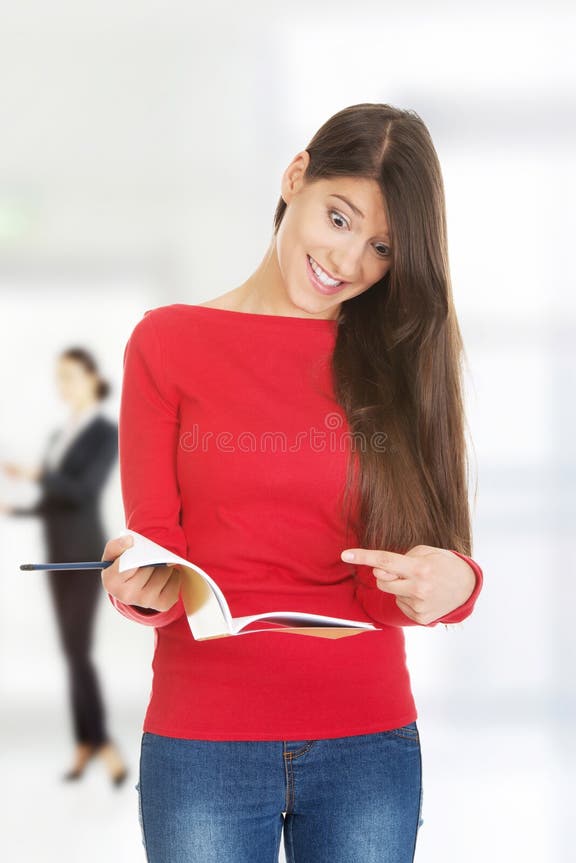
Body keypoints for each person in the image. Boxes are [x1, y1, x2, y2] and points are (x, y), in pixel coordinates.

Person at [101, 102, 484, 862]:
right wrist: (137, 582)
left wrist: (456, 583)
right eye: (338, 219)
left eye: (380, 247)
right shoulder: (167, 342)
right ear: (296, 176)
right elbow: (158, 549)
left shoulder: (399, 359)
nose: (348, 263)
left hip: (367, 745)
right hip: (203, 741)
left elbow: (423, 566)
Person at [0, 347, 128, 787]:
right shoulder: (59, 434)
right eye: (59, 378)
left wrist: (35, 473)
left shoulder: (106, 432)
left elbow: (83, 492)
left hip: (83, 553)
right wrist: (14, 511)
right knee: (71, 653)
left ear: (93, 379)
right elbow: (54, 503)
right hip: (53, 554)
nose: (63, 386)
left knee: (77, 651)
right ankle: (86, 742)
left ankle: (100, 743)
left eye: (71, 377)